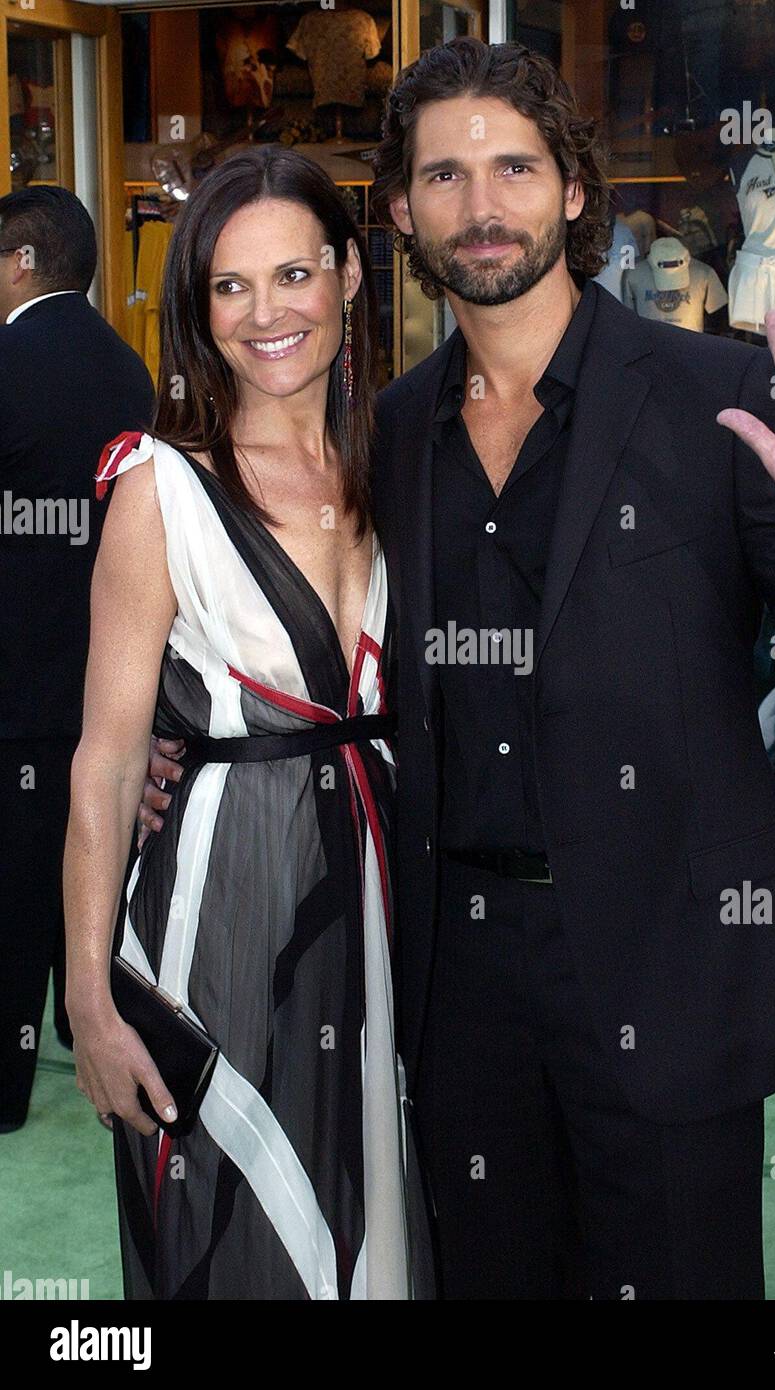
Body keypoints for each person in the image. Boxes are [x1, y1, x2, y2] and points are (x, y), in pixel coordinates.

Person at [141, 38, 775, 1300]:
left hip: (669, 974)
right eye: (443, 176)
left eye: (512, 167)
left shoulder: (714, 394)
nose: (481, 204)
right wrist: (172, 745)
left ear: (571, 189)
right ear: (400, 212)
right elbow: (306, 657)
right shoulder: (383, 439)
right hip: (454, 989)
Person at [63, 148, 433, 1299]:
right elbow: (107, 760)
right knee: (225, 1247)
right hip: (212, 933)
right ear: (197, 305)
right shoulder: (161, 487)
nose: (266, 313)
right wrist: (87, 998)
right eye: (230, 285)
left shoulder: (395, 466)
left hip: (376, 920)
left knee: (370, 1231)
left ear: (348, 278)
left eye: (292, 275)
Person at [0, 186, 155, 1134]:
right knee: (85, 846)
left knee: (9, 883)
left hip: (14, 672)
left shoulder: (8, 362)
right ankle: (78, 1020)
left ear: (21, 262)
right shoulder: (126, 367)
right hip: (105, 668)